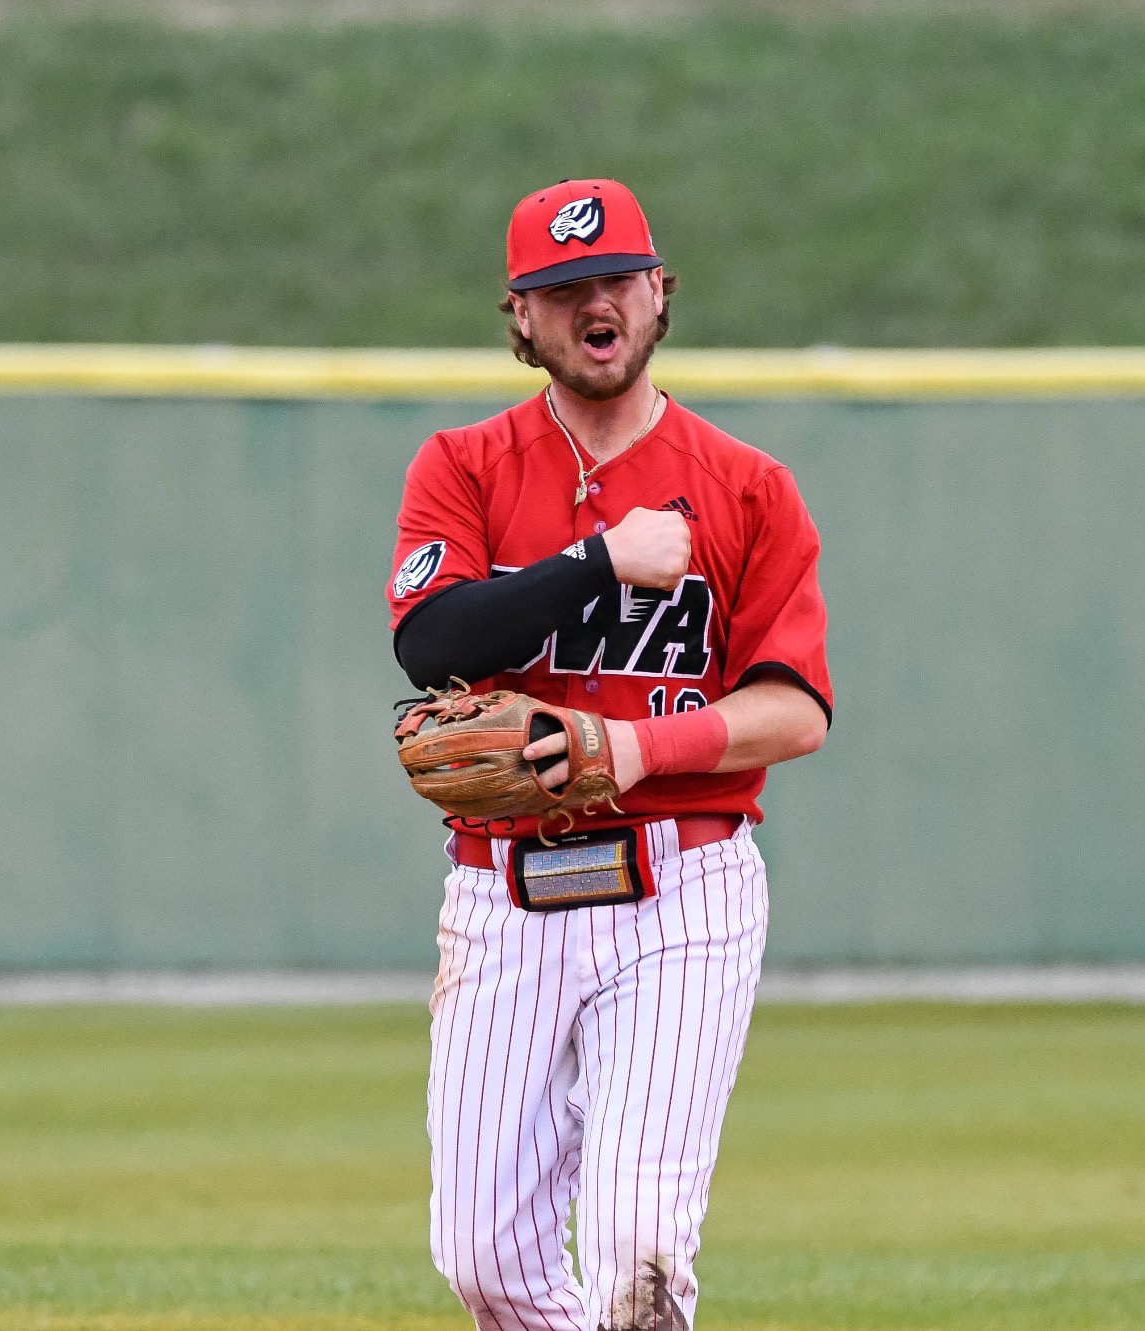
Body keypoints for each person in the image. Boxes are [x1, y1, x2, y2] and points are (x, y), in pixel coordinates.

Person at [384, 178, 831, 1331]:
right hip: (501, 893)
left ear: (657, 297)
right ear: (520, 319)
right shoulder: (463, 466)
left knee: (636, 1241)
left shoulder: (746, 486)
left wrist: (630, 747)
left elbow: (793, 709)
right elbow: (430, 636)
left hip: (682, 884)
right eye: (561, 287)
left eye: (615, 281)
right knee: (482, 1258)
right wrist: (598, 561)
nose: (595, 303)